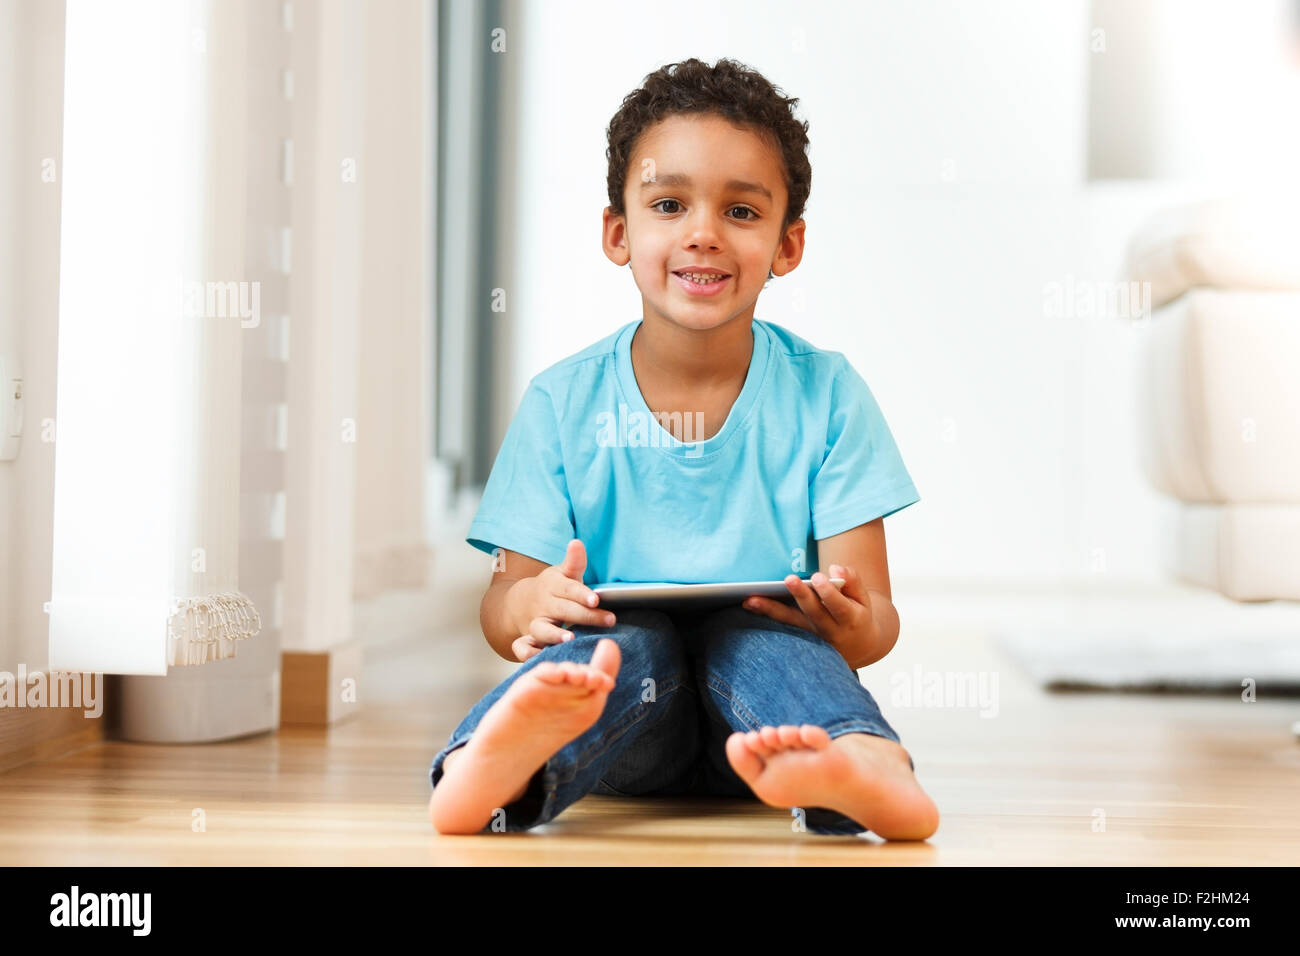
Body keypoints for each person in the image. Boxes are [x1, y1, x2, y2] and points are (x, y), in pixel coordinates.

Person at [428, 57, 939, 840]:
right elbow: (504, 610)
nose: (702, 233)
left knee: (759, 634)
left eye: (741, 212)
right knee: (626, 643)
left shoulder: (828, 393)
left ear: (787, 244)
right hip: (628, 719)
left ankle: (861, 763)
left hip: (773, 724)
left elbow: (876, 623)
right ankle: (498, 767)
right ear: (618, 232)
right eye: (669, 204)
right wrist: (529, 604)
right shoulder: (562, 403)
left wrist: (847, 621)